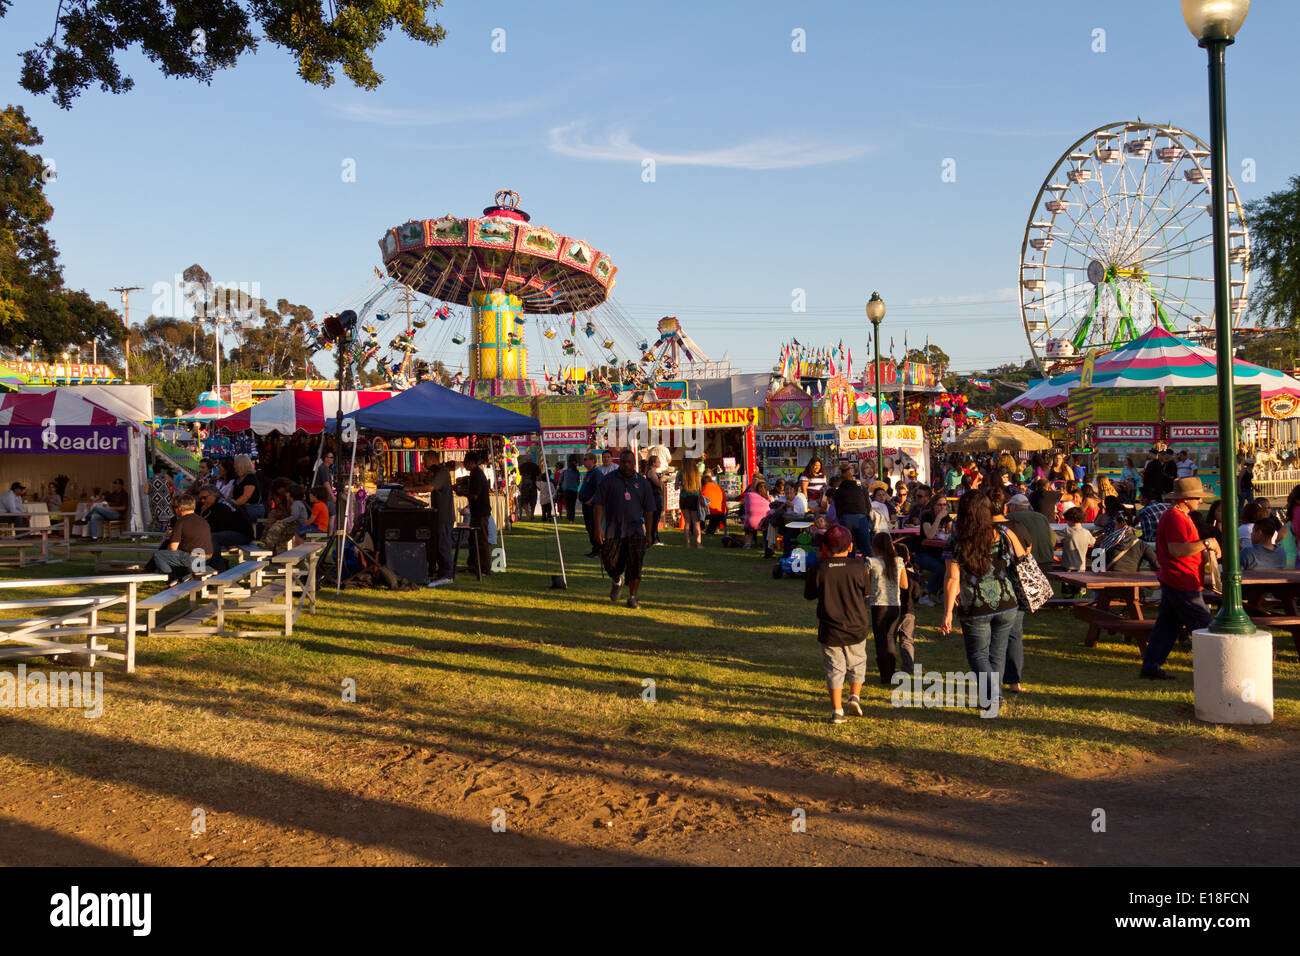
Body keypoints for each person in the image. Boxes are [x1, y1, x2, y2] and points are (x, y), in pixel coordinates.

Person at [940, 491, 1022, 715]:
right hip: (1007, 602)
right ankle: (990, 700)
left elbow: (952, 578)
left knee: (978, 655)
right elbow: (1022, 555)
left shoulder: (958, 540)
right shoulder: (1002, 534)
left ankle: (992, 697)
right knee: (996, 654)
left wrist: (947, 612)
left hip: (975, 605)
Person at [1141, 476, 1220, 680]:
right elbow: (1177, 550)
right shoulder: (1176, 518)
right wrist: (1206, 544)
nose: (1200, 501)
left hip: (1178, 577)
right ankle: (1218, 669)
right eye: (1197, 497)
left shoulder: (1177, 516)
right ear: (1185, 499)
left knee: (1167, 626)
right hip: (1181, 579)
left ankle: (1151, 666)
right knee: (1204, 625)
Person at [804, 524, 869, 725]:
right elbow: (867, 592)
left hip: (830, 628)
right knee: (857, 663)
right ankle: (854, 697)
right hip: (856, 626)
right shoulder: (859, 567)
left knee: (834, 669)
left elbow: (809, 595)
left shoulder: (820, 569)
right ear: (850, 547)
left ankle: (837, 711)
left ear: (826, 547)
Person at [594, 449, 656, 609]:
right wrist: (597, 528)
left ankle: (633, 597)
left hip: (635, 530)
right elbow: (598, 504)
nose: (626, 465)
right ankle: (617, 580)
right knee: (610, 562)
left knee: (635, 565)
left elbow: (649, 509)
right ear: (619, 462)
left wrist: (649, 533)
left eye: (629, 462)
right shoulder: (608, 480)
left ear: (634, 464)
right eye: (623, 462)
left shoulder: (642, 483)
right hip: (613, 529)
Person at [866, 531, 909, 686]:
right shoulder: (899, 561)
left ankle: (885, 674)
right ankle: (891, 672)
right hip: (894, 606)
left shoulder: (871, 562)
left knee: (880, 641)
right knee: (890, 638)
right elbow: (904, 585)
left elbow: (865, 586)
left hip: (879, 605)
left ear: (875, 546)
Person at [151, 494, 215, 583]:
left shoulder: (181, 521)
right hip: (207, 558)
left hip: (193, 559)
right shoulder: (203, 521)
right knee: (178, 557)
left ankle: (172, 580)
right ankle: (185, 576)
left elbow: (173, 548)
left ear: (180, 508)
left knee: (159, 555)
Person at [462, 451, 493, 577]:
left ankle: (484, 568)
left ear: (471, 462)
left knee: (481, 541)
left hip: (481, 512)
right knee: (473, 540)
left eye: (466, 461)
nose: (464, 464)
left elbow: (475, 495)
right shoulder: (474, 474)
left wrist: (462, 492)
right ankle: (474, 564)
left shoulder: (478, 475)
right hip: (477, 512)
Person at [196, 484, 254, 549]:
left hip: (243, 535)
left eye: (204, 498)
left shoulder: (221, 506)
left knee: (212, 537)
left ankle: (215, 559)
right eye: (200, 498)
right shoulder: (217, 504)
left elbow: (215, 528)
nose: (202, 501)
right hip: (236, 532)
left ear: (214, 495)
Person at [1005, 492, 1055, 567]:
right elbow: (1053, 538)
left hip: (1027, 563)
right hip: (1047, 560)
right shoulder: (1042, 517)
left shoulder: (1010, 517)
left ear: (1014, 506)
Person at [833, 464, 872, 557]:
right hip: (861, 517)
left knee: (849, 546)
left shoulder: (838, 491)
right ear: (852, 477)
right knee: (866, 547)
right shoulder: (861, 488)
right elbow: (868, 505)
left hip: (845, 517)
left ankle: (851, 567)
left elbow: (837, 508)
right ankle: (870, 568)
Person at [576, 452, 603, 556]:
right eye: (584, 459)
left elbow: (599, 489)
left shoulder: (596, 473)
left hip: (592, 506)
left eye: (586, 459)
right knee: (589, 527)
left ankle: (598, 549)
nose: (584, 461)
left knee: (594, 527)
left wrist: (591, 500)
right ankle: (595, 548)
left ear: (592, 461)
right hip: (586, 505)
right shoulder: (589, 473)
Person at [678, 461, 704, 548]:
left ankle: (687, 544)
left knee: (687, 522)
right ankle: (698, 543)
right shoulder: (697, 472)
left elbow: (676, 486)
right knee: (696, 522)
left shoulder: (680, 472)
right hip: (694, 497)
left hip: (683, 497)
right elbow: (700, 487)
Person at [231, 454, 264, 521]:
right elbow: (230, 495)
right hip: (241, 507)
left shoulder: (250, 477)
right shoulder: (238, 478)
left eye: (235, 464)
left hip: (253, 508)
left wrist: (230, 506)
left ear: (241, 465)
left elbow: (245, 497)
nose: (233, 466)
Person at [645, 454, 666, 546]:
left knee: (656, 518)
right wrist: (663, 476)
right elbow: (658, 483)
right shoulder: (651, 472)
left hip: (655, 496)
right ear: (653, 463)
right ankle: (653, 538)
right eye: (658, 461)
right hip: (654, 497)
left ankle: (655, 538)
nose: (660, 462)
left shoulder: (652, 472)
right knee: (654, 518)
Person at [701, 470, 727, 535]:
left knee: (698, 512)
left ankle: (700, 528)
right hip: (721, 513)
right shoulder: (719, 487)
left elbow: (699, 502)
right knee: (714, 519)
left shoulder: (703, 489)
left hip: (708, 513)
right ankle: (710, 531)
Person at [560, 454, 582, 522]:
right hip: (574, 490)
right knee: (572, 505)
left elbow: (560, 481)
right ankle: (571, 519)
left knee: (568, 504)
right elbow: (578, 483)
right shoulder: (577, 472)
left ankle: (569, 517)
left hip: (566, 490)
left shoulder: (565, 471)